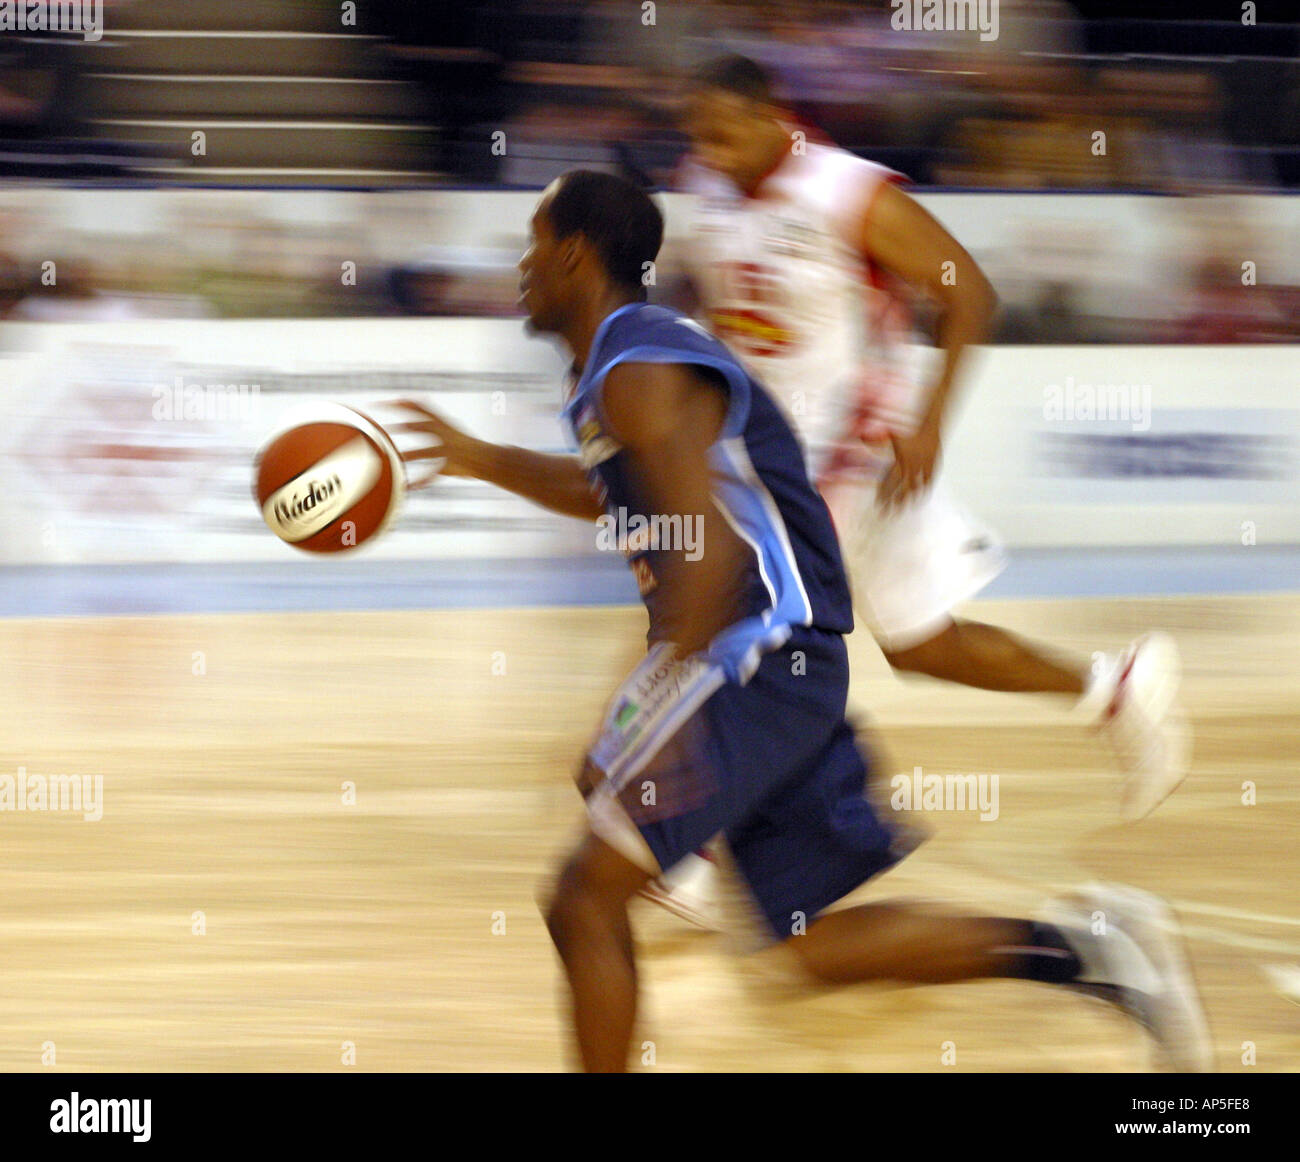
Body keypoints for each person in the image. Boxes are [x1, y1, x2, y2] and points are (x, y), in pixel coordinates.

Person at [393, 169, 1210, 1073]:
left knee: (584, 899)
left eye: (534, 244)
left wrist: (642, 706)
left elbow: (712, 562)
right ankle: (1089, 952)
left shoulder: (638, 366)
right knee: (801, 951)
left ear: (576, 254)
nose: (521, 265)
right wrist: (477, 458)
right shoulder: (623, 368)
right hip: (787, 664)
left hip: (757, 657)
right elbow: (612, 493)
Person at [653, 55, 1190, 923]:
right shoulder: (710, 189)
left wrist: (932, 418)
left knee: (742, 617)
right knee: (918, 645)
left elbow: (969, 292)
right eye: (695, 134)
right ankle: (1115, 686)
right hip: (775, 451)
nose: (706, 149)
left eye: (720, 131)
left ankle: (700, 850)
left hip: (858, 453)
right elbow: (735, 319)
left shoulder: (847, 191)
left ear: (768, 116)